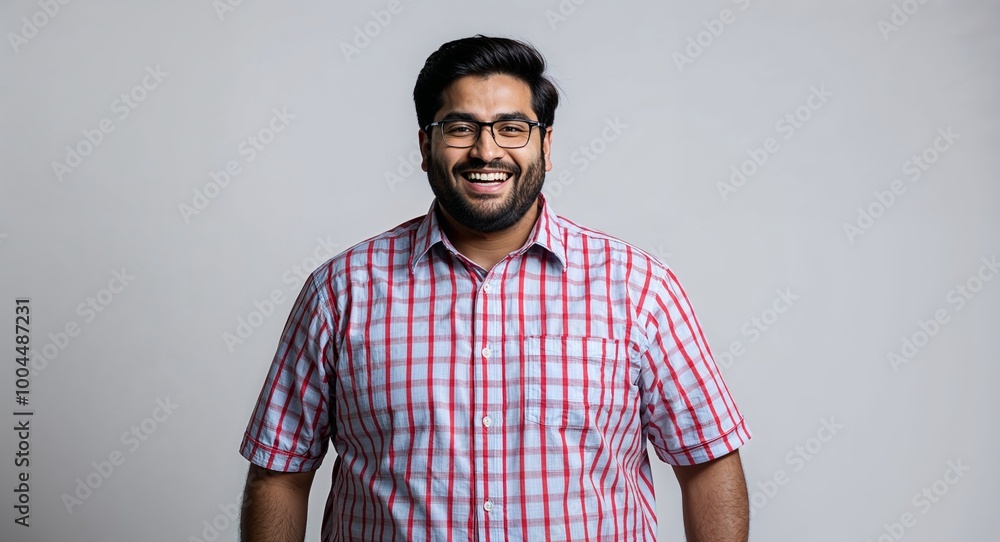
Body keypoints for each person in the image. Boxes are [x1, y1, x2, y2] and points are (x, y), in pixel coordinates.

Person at [238, 35, 752, 541]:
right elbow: (279, 474)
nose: (487, 151)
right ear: (425, 145)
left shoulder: (639, 288)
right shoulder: (341, 291)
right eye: (461, 127)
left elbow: (708, 462)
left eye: (512, 128)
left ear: (545, 145)